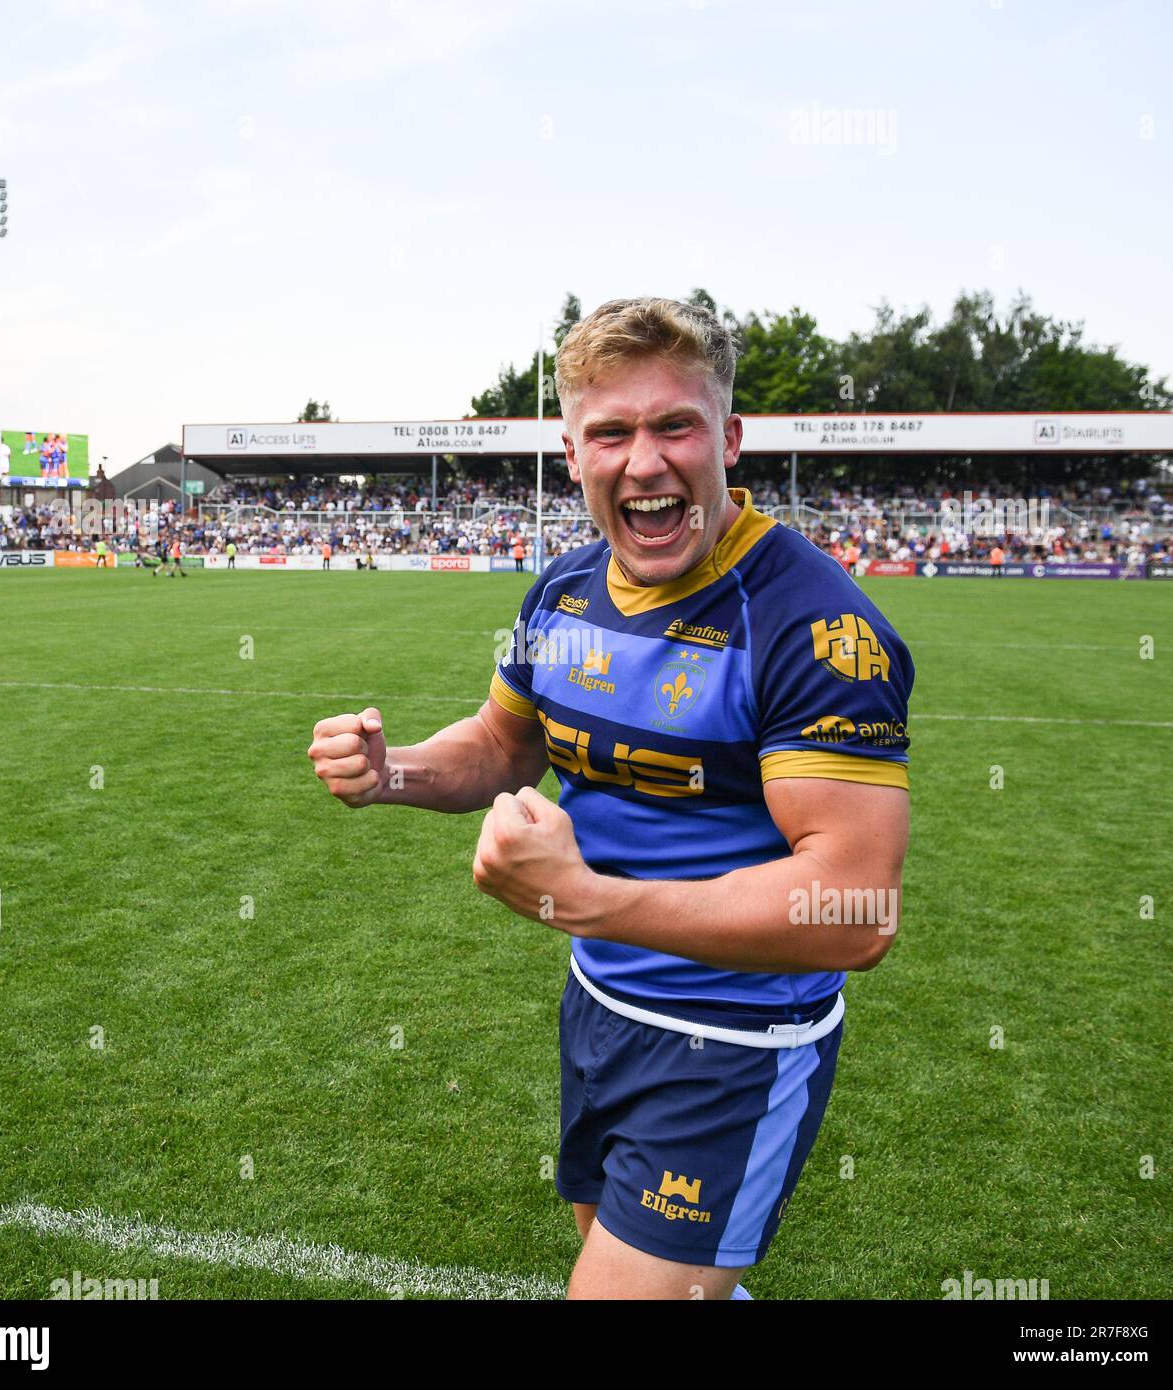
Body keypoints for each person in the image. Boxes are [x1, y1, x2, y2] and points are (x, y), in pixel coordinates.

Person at [308, 297, 913, 1301]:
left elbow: (854, 908)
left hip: (731, 1045)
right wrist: (394, 773)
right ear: (571, 451)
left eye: (674, 424)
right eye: (612, 432)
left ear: (727, 437)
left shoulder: (815, 628)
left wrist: (583, 898)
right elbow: (503, 745)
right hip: (598, 1010)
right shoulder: (563, 592)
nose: (644, 461)